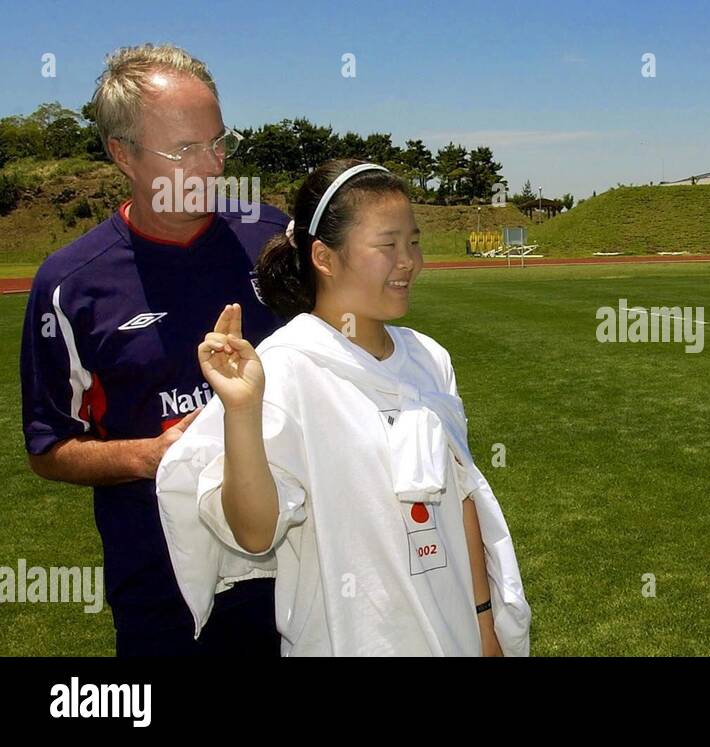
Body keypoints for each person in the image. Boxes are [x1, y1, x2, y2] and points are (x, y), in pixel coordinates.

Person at [155, 159, 531, 655]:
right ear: (324, 258)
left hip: (453, 635)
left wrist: (485, 625)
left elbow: (460, 497)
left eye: (413, 242)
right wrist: (243, 413)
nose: (409, 261)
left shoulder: (429, 359)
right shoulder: (287, 368)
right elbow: (254, 533)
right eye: (387, 245)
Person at [19, 44, 285, 656]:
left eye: (219, 142)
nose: (212, 166)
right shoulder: (71, 284)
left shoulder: (271, 239)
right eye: (184, 150)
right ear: (122, 153)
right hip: (161, 591)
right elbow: (48, 448)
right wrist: (152, 456)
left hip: (295, 568)